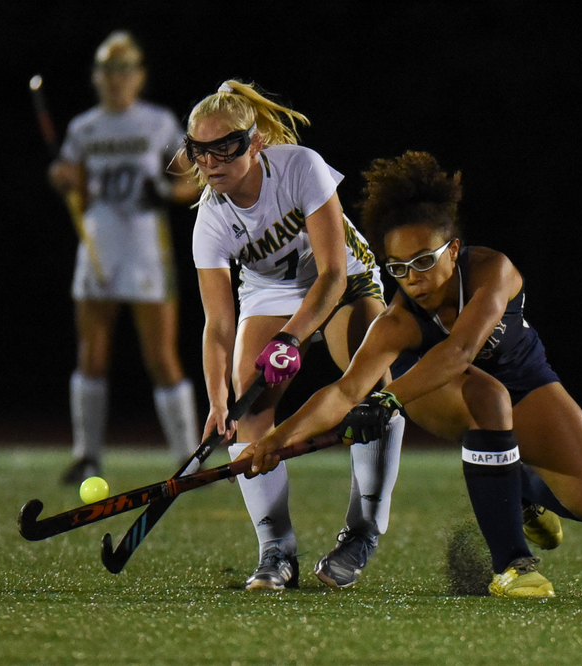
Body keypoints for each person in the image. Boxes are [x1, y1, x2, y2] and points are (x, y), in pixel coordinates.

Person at [241, 151, 582, 598]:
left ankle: (517, 491)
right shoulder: (396, 323)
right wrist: (275, 440)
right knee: (489, 399)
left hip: (523, 377)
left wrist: (386, 400)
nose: (412, 279)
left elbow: (459, 350)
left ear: (453, 249)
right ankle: (512, 567)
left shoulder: (491, 272)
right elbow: (344, 392)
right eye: (397, 268)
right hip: (434, 387)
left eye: (423, 261)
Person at [185, 80, 405, 591]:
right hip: (271, 291)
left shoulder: (300, 166)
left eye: (227, 147)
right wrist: (220, 401)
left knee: (373, 386)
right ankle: (276, 551)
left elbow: (329, 275)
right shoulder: (210, 223)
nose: (213, 162)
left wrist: (290, 339)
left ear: (255, 141)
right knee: (250, 403)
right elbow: (217, 324)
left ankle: (362, 533)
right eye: (200, 152)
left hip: (343, 279)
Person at [47, 31, 202, 485]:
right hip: (98, 246)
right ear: (97, 78)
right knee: (91, 352)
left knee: (161, 356)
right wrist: (63, 178)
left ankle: (186, 458)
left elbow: (193, 178)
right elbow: (79, 186)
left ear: (139, 77)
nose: (117, 81)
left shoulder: (156, 123)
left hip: (146, 250)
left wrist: (171, 192)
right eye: (109, 73)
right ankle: (87, 455)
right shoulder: (83, 128)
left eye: (125, 72)